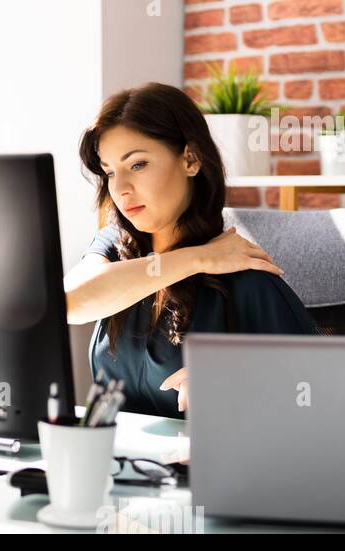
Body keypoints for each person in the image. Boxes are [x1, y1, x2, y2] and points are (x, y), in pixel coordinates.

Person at [65, 82, 318, 419]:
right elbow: (69, 303)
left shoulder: (247, 281)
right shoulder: (114, 248)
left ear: (191, 159)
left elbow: (315, 398)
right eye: (110, 172)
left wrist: (242, 383)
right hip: (113, 464)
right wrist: (199, 258)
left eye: (137, 164)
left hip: (203, 469)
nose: (121, 188)